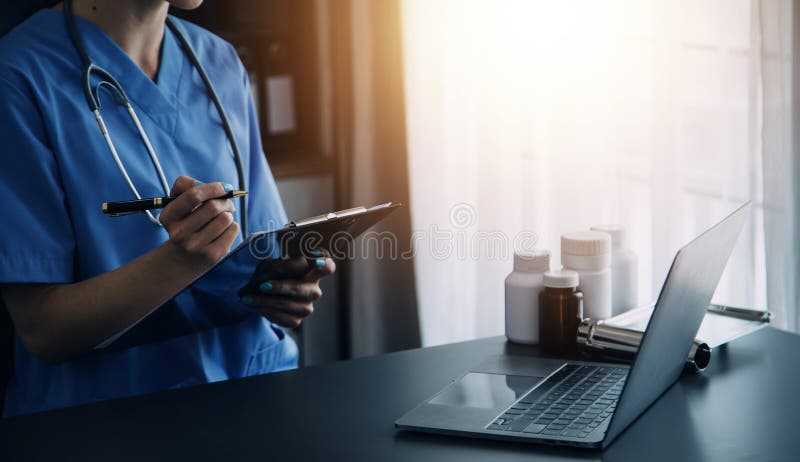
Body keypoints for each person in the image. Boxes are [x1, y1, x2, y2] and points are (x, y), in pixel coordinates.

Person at [0, 0, 335, 417]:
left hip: (254, 395)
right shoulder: (18, 77)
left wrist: (285, 286)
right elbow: (42, 331)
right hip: (103, 423)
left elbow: (260, 249)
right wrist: (178, 262)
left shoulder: (218, 60)